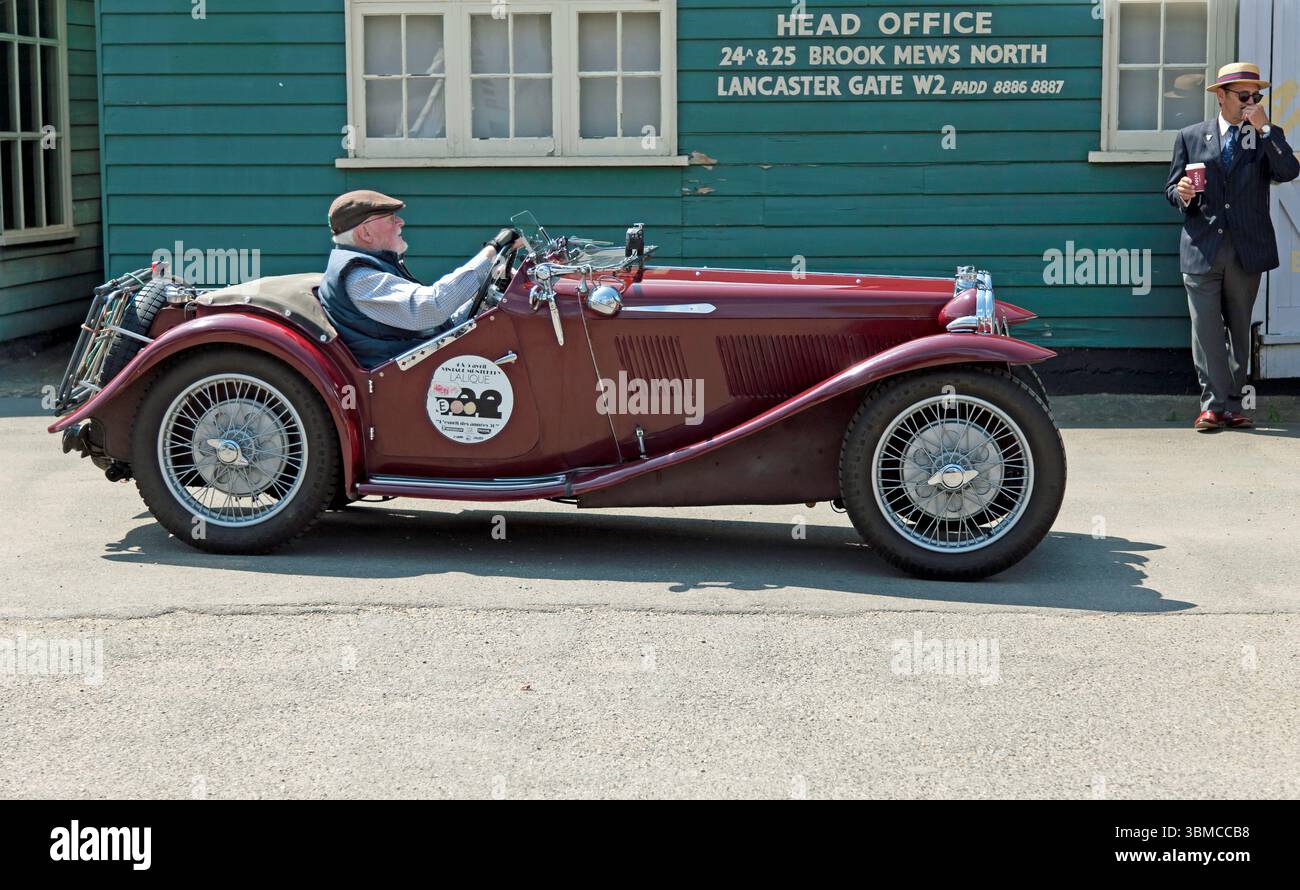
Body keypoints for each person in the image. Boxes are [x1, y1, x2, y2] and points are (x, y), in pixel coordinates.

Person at [1165, 62, 1300, 431]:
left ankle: (1233, 404)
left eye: (1256, 97)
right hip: (1201, 247)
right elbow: (1172, 189)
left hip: (1246, 249)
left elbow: (1289, 171)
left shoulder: (1266, 136)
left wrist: (1266, 129)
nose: (1250, 102)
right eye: (1243, 96)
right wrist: (1181, 194)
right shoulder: (1190, 136)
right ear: (1221, 96)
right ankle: (1212, 406)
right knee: (1206, 330)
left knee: (1239, 330)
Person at [318, 189, 524, 368]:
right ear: (365, 232)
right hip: (401, 379)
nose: (401, 222)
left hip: (419, 365)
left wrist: (486, 293)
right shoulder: (359, 277)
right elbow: (431, 308)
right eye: (391, 218)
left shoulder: (370, 265)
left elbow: (442, 323)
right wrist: (491, 251)